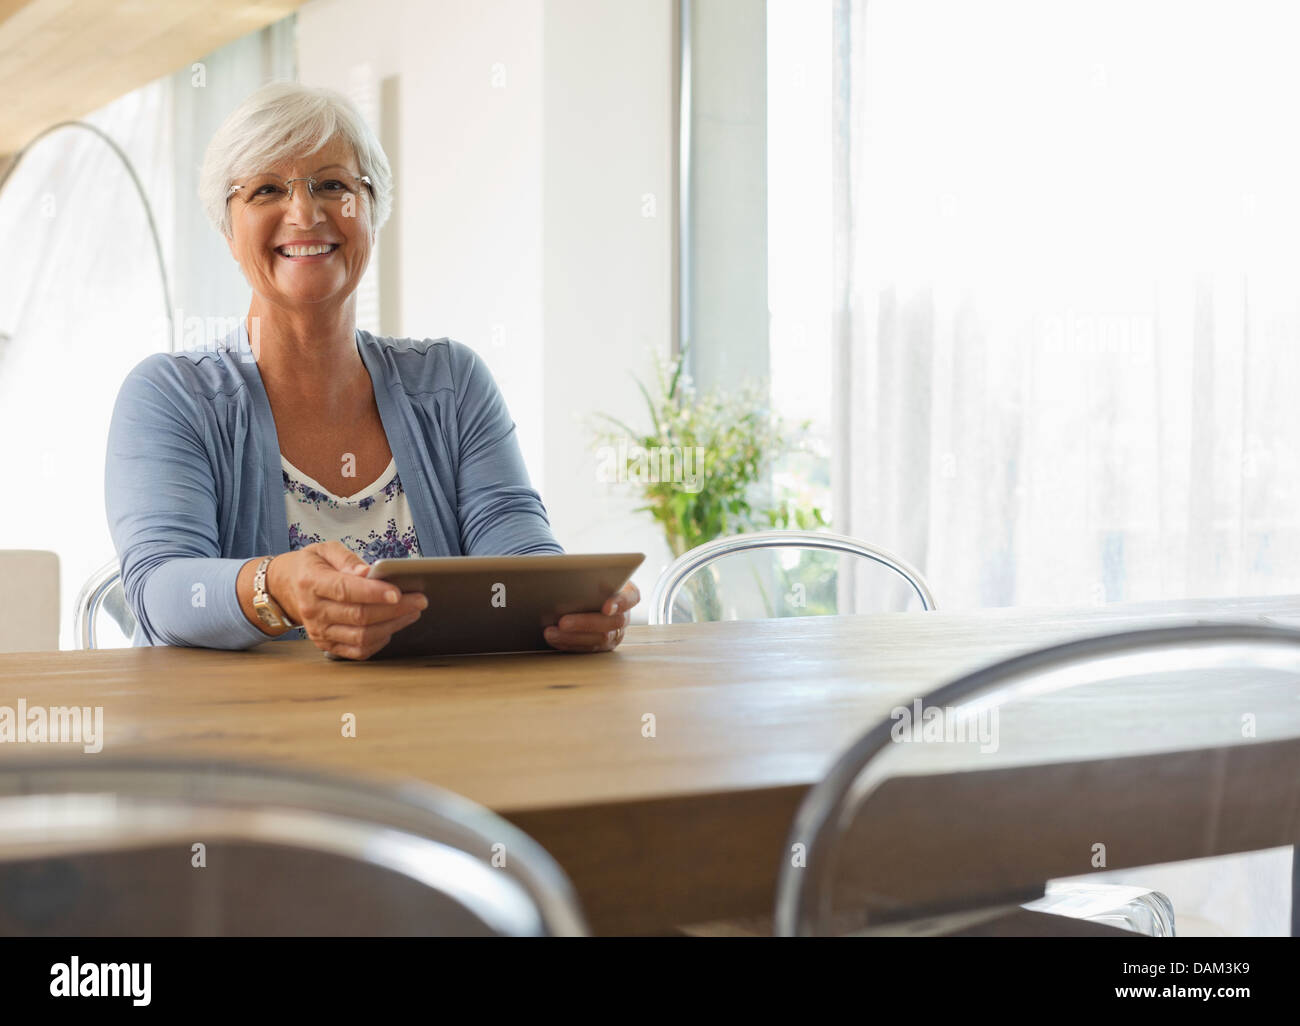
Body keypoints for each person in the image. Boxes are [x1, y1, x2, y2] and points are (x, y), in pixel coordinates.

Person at [105, 81, 638, 659]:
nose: (304, 212)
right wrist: (276, 585)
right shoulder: (170, 395)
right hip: (237, 738)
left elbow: (514, 542)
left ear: (373, 212)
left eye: (333, 185)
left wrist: (567, 604)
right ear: (229, 231)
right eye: (265, 190)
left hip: (440, 732)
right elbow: (160, 589)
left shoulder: (452, 382)